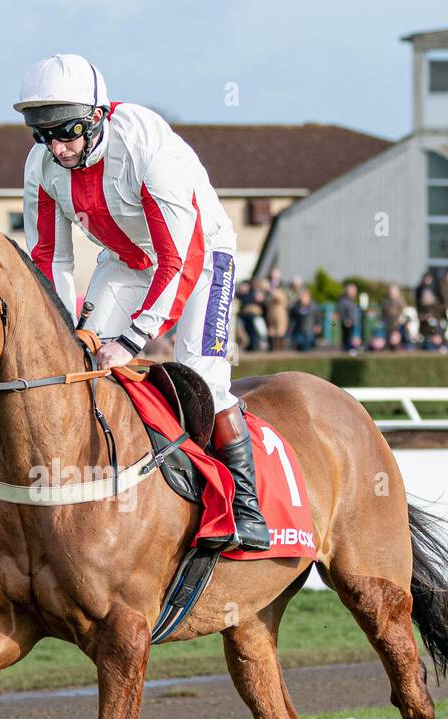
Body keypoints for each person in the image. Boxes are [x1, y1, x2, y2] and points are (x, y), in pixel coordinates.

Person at [16, 53, 268, 550]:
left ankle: (245, 506)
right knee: (82, 360)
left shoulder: (143, 144)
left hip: (199, 252)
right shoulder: (41, 166)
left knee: (204, 381)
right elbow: (49, 258)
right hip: (128, 259)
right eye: (42, 134)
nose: (57, 148)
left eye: (66, 132)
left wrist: (132, 340)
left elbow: (178, 259)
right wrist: (67, 330)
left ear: (96, 117)